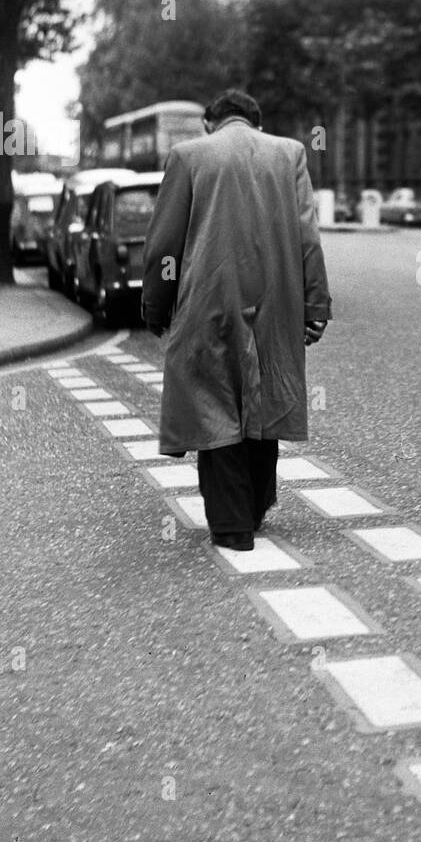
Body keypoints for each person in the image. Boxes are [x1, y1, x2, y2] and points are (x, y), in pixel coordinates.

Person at [141, 90, 331, 551]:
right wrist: (316, 306)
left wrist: (155, 306)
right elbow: (308, 237)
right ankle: (257, 505)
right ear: (257, 121)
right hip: (276, 304)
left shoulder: (188, 157)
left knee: (214, 405)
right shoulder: (289, 154)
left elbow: (165, 246)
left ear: (210, 122)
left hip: (209, 300)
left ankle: (231, 525)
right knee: (264, 400)